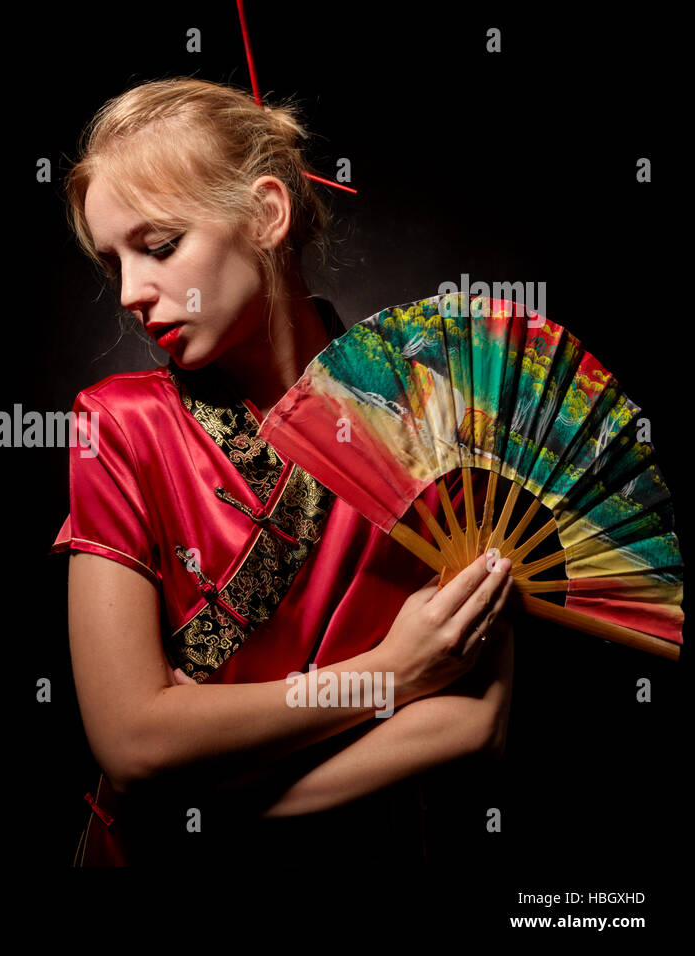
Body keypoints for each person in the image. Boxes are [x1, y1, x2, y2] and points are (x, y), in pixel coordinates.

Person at [49, 78, 516, 866]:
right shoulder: (119, 425)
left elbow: (473, 724)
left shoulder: (440, 413)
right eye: (112, 261)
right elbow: (131, 739)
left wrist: (212, 798)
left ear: (268, 213)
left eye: (159, 246)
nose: (130, 292)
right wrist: (388, 674)